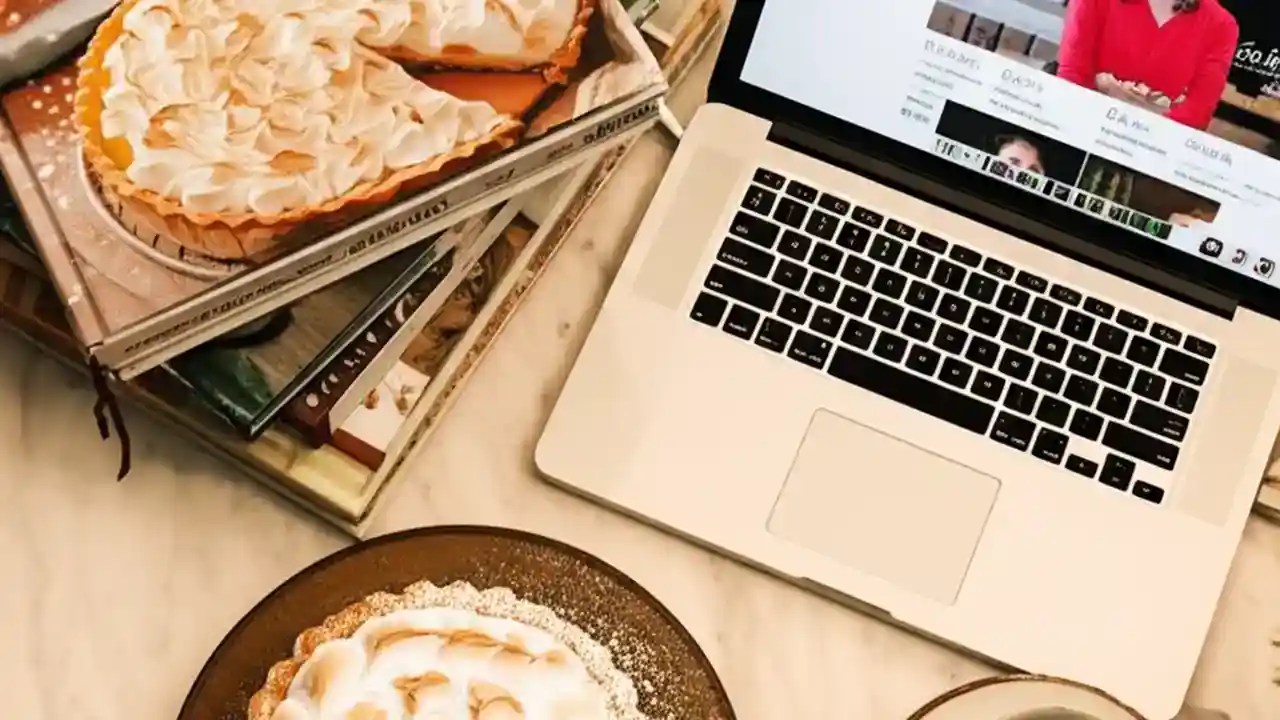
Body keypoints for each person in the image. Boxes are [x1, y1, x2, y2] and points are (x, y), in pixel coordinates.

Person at [1056, 0, 1240, 130]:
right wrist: (1154, 110)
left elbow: (1196, 116)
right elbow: (1071, 78)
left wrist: (1122, 100)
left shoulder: (1221, 25)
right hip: (1077, 125)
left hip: (1151, 151)